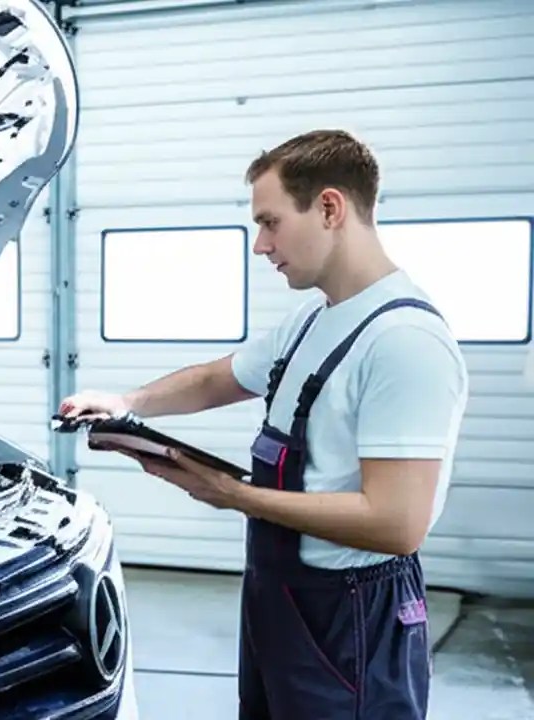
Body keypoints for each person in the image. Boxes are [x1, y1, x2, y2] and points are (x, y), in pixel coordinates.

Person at [60, 129, 469, 719]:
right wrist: (127, 404)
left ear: (329, 208)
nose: (260, 245)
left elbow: (396, 523)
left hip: (351, 623)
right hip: (284, 601)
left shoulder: (404, 342)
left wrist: (234, 495)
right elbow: (216, 379)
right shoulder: (313, 319)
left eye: (270, 222)